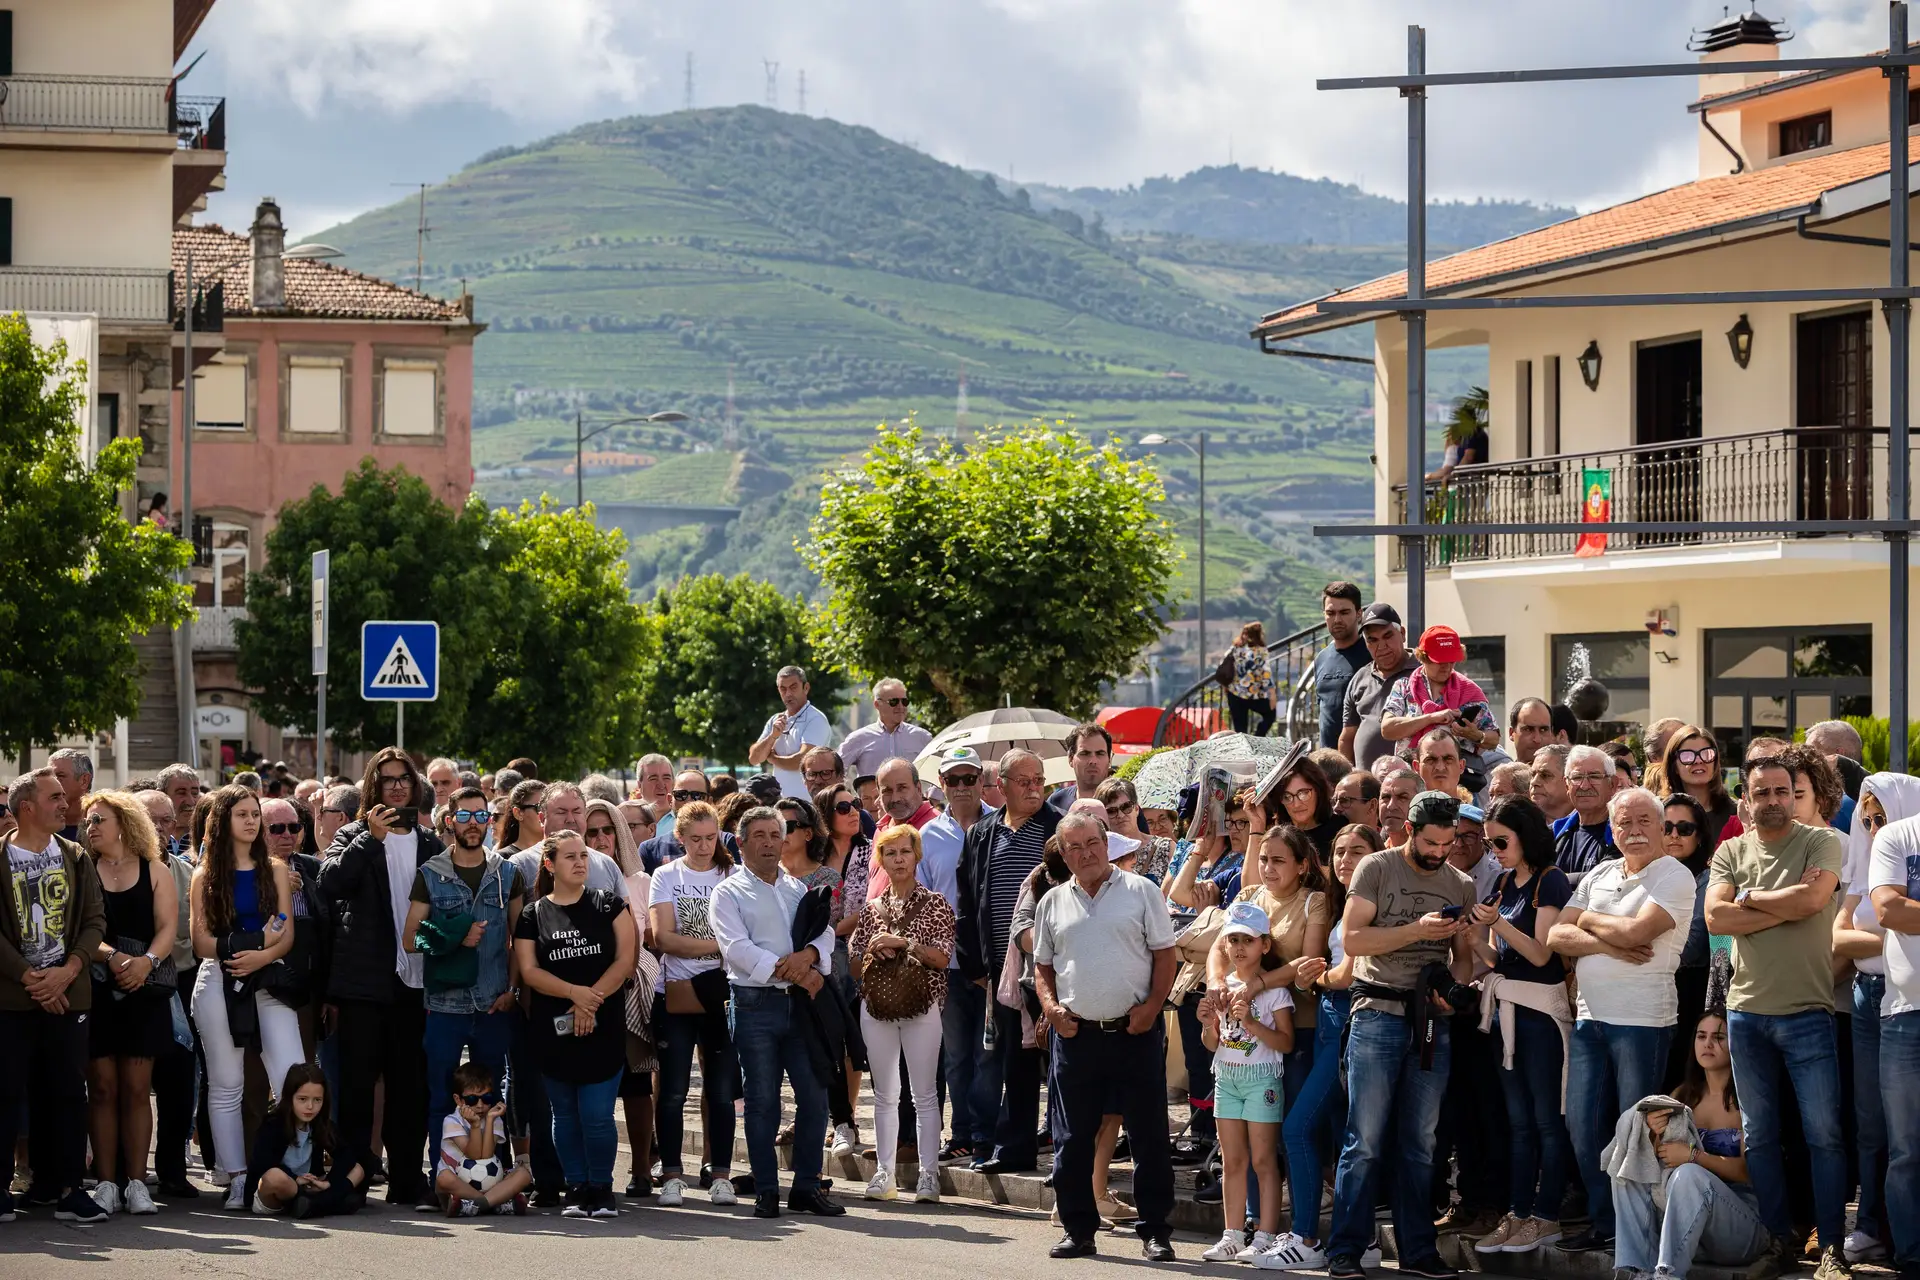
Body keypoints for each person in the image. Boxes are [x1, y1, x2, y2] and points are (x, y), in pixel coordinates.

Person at [1321, 791, 1475, 1280]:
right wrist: (1414, 931)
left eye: (1448, 843)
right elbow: (1353, 940)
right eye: (1431, 842)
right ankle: (1345, 1248)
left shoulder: (1460, 883)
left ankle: (1418, 1250)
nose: (1440, 852)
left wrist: (1457, 989)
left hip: (1430, 1019)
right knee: (1363, 1139)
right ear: (1408, 830)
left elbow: (1463, 956)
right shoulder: (1376, 869)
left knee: (1421, 1143)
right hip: (1377, 1011)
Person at [1707, 757, 1848, 1280]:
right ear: (1746, 796)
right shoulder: (1729, 850)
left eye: (1781, 791)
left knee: (1824, 1135)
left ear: (1795, 794)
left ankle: (1830, 1248)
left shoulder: (1820, 842)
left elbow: (1814, 899)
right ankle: (1777, 1241)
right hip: (1745, 1013)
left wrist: (1750, 900)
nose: (1772, 799)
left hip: (1808, 1011)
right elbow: (1716, 918)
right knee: (1761, 1137)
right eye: (1761, 791)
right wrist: (1782, 905)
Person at [1546, 785, 1697, 1252]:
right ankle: (1606, 1221)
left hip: (1644, 1021)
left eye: (1643, 822)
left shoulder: (1674, 875)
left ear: (1661, 828)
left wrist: (1588, 921)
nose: (1632, 831)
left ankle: (1640, 1231)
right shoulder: (1600, 873)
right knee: (1583, 1126)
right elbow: (1555, 934)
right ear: (1612, 830)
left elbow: (1638, 931)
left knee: (1637, 1130)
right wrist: (1609, 941)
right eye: (1623, 823)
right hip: (1590, 1019)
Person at [1033, 812, 1179, 1262]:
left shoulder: (1142, 890)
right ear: (1063, 853)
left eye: (1092, 843)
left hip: (1134, 1032)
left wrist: (1152, 1008)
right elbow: (1041, 966)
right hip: (1076, 1036)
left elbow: (1165, 955)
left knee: (1148, 1136)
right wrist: (1051, 1009)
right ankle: (1078, 1229)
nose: (1086, 853)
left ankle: (1155, 1231)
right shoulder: (1052, 902)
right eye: (1073, 847)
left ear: (1106, 843)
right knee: (1073, 1138)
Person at [318, 748, 444, 1209]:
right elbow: (329, 884)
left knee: (410, 1087)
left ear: (414, 786)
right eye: (386, 779)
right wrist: (369, 838)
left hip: (416, 984)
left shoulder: (430, 842)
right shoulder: (351, 835)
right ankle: (352, 1178)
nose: (395, 786)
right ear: (373, 787)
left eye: (403, 779)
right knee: (355, 1087)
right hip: (363, 983)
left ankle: (408, 1178)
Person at [710, 806, 842, 1219]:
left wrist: (809, 956)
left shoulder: (797, 889)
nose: (769, 843)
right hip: (754, 1005)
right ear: (742, 842)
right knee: (762, 1100)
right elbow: (735, 948)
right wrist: (789, 971)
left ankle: (806, 1186)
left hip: (800, 1007)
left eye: (775, 835)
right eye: (760, 835)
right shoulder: (727, 892)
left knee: (815, 1097)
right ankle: (767, 1189)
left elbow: (823, 930)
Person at [1259, 823, 1377, 1270]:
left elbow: (1344, 974)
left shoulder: (1373, 897)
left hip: (1353, 1017)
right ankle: (1359, 1240)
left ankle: (1307, 1238)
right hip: (1328, 1019)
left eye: (1358, 851)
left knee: (1298, 1128)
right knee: (1339, 1133)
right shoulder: (1336, 899)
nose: (1347, 860)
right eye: (1341, 851)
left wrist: (1317, 977)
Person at [0, 767, 109, 1225]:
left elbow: (95, 921)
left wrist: (67, 971)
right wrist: (30, 977)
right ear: (27, 806)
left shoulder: (76, 855)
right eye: (55, 797)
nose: (66, 804)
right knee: (6, 1092)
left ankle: (64, 1188)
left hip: (70, 995)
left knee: (66, 1092)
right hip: (12, 997)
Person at [191, 784, 304, 1212]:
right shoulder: (204, 876)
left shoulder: (274, 868)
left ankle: (292, 1171)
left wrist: (259, 957)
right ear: (222, 821)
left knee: (294, 1076)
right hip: (218, 982)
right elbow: (201, 942)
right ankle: (236, 1178)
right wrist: (253, 944)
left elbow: (286, 934)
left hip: (268, 979)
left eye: (255, 813)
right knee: (226, 1084)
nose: (252, 820)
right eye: (242, 813)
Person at [514, 831, 637, 1219]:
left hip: (604, 1027)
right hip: (554, 1032)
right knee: (563, 1115)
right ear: (549, 865)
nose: (580, 862)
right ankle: (577, 1186)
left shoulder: (608, 905)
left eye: (583, 855)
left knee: (598, 1114)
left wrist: (590, 1000)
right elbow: (529, 971)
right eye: (570, 857)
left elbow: (625, 961)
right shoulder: (533, 914)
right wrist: (574, 994)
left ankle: (601, 1188)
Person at [1469, 796, 1572, 1255]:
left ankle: (1546, 1216)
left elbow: (1541, 953)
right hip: (1505, 1011)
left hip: (1540, 1016)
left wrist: (1498, 926)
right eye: (1490, 843)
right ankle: (1518, 1212)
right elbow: (1497, 959)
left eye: (1500, 841)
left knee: (1548, 1121)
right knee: (1520, 1124)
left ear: (1525, 834)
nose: (1494, 850)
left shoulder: (1549, 882)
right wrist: (1472, 935)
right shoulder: (1504, 884)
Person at [957, 748, 1061, 1174]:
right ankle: (1013, 1149)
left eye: (1039, 779)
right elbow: (967, 900)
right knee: (1013, 1063)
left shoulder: (1057, 827)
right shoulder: (982, 832)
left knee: (1059, 1063)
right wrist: (976, 968)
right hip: (1004, 973)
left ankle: (1067, 1156)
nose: (1034, 787)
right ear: (1000, 785)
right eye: (1024, 780)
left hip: (1054, 970)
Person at [401, 786, 522, 1145]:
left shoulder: (507, 873)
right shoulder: (431, 873)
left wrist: (512, 991)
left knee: (492, 1100)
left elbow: (520, 940)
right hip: (444, 1005)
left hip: (492, 1004)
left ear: (490, 821)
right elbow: (410, 939)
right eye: (466, 816)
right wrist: (456, 936)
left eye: (481, 816)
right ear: (450, 820)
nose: (474, 823)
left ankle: (494, 1178)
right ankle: (443, 1179)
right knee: (441, 1097)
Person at [1609, 1011, 1769, 1280]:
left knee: (1689, 1174)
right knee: (1627, 1165)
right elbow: (1660, 1163)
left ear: (1736, 1043)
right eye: (1701, 1036)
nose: (1708, 1044)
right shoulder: (1681, 1096)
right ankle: (1638, 1270)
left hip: (1740, 1227)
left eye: (1719, 1037)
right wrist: (1652, 1135)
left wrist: (1693, 1156)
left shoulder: (1748, 1098)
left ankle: (1668, 1275)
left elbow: (1748, 1173)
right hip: (1685, 1225)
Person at [80, 790, 178, 1216]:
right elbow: (80, 929)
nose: (91, 827)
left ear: (124, 822)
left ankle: (137, 1183)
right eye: (88, 822)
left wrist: (146, 962)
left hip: (144, 988)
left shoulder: (156, 869)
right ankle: (105, 1184)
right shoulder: (83, 870)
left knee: (139, 1090)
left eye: (99, 819)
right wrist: (113, 956)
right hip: (97, 988)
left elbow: (168, 930)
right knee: (102, 1090)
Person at [1836, 774, 1920, 1265]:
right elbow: (1869, 920)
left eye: (1878, 814)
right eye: (1864, 817)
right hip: (1883, 1003)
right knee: (1884, 1133)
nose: (1869, 824)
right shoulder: (1881, 850)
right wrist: (1892, 937)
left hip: (1890, 991)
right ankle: (1894, 1244)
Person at [850, 823, 956, 1202]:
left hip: (922, 1005)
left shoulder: (936, 903)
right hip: (877, 1006)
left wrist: (904, 943)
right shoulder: (871, 909)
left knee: (925, 1094)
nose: (898, 859)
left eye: (905, 852)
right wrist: (873, 955)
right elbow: (853, 959)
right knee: (885, 1094)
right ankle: (884, 1172)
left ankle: (929, 1176)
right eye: (891, 853)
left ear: (917, 856)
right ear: (881, 859)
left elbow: (942, 957)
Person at [648, 800, 740, 1207]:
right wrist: (721, 946)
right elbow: (662, 937)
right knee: (672, 1090)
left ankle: (721, 1173)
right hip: (679, 994)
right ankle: (671, 1173)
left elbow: (746, 938)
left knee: (722, 1090)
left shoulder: (733, 875)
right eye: (695, 839)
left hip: (723, 995)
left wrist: (718, 949)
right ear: (680, 838)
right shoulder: (667, 875)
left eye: (711, 838)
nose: (704, 847)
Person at [1197, 900, 1295, 1266]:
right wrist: (1208, 1023)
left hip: (1263, 1080)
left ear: (1265, 945)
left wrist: (1252, 1023)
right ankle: (1232, 1236)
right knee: (1232, 1160)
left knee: (1264, 1161)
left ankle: (1266, 1236)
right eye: (1232, 939)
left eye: (1248, 940)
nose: (1239, 948)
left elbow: (1286, 1042)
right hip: (1227, 1078)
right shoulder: (1221, 987)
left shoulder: (1274, 990)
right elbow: (1214, 1044)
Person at [582, 795, 657, 1198]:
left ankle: (642, 1169)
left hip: (629, 994)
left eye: (607, 829)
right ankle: (593, 1175)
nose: (600, 838)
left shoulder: (641, 882)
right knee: (591, 1089)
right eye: (591, 831)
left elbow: (650, 940)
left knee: (636, 1085)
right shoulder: (572, 878)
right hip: (583, 992)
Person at [922, 747, 991, 1162]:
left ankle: (984, 1133)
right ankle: (961, 1132)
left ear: (982, 781)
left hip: (990, 962)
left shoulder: (1000, 826)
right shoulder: (929, 836)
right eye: (954, 780)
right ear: (942, 784)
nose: (962, 787)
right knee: (956, 1055)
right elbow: (927, 902)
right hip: (945, 963)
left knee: (988, 1055)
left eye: (970, 778)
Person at [245, 1064, 367, 1219]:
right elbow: (263, 1162)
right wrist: (296, 1179)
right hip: (278, 1191)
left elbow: (346, 1155)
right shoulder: (273, 1124)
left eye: (317, 1100)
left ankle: (315, 1204)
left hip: (308, 1187)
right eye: (302, 1099)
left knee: (357, 1169)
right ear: (290, 1097)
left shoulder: (321, 1124)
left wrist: (328, 1183)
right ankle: (329, 1203)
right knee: (275, 1176)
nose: (310, 1106)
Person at [1380, 625, 1497, 761]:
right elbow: (1387, 729)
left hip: (1456, 777)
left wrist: (1476, 735)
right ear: (1422, 657)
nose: (1446, 667)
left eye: (1451, 660)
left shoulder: (1469, 691)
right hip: (1411, 775)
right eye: (1440, 661)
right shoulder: (1404, 687)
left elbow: (1494, 738)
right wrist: (1431, 718)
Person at [434, 1060, 531, 1217]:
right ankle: (496, 1202)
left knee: (524, 1174)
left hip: (490, 1181)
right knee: (443, 1178)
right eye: (472, 1100)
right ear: (458, 1100)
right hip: (459, 1182)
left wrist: (491, 1119)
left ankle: (474, 1206)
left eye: (486, 1098)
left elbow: (485, 1156)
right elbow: (473, 1155)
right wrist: (474, 1126)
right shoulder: (451, 1121)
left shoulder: (495, 1119)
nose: (480, 1105)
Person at [1339, 603, 1418, 770]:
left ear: (1402, 634)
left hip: (1412, 786)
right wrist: (1347, 777)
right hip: (1366, 788)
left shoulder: (1424, 672)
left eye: (1388, 636)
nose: (1381, 646)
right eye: (1372, 640)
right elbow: (1347, 737)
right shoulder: (1359, 678)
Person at [747, 666, 834, 800]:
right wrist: (772, 737)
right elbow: (754, 758)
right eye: (783, 688)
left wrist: (773, 758)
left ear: (806, 688)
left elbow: (802, 761)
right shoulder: (775, 719)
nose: (788, 694)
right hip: (780, 804)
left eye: (793, 687)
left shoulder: (816, 719)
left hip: (808, 806)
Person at [1311, 582, 1369, 749]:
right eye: (1330, 613)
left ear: (1359, 614)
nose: (1337, 619)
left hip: (1361, 763)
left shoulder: (1372, 655)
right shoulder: (1321, 659)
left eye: (1344, 612)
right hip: (1327, 763)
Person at [840, 678, 934, 781]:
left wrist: (932, 796)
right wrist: (843, 794)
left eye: (904, 701)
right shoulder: (859, 738)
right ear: (877, 704)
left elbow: (937, 769)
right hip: (874, 797)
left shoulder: (922, 737)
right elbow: (836, 770)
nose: (901, 706)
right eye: (894, 701)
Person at [1657, 726, 1739, 843]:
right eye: (1687, 755)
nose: (1698, 760)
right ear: (1674, 765)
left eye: (1706, 754)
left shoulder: (1735, 813)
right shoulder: (1657, 812)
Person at [1555, 745, 1620, 878]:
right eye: (1577, 777)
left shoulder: (1622, 831)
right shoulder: (1555, 832)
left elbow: (1606, 880)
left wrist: (1555, 881)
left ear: (1612, 784)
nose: (1584, 786)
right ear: (1566, 785)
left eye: (1594, 776)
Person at [1267, 753, 1344, 859]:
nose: (1296, 804)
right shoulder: (1276, 835)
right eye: (1287, 796)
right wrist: (1255, 825)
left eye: (1303, 793)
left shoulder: (1340, 830)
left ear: (1318, 791)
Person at [1224, 621, 1279, 737]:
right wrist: (1272, 695)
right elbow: (1266, 674)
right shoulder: (1260, 651)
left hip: (1234, 693)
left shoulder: (1235, 648)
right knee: (1270, 715)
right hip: (1254, 694)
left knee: (1240, 731)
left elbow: (1223, 666)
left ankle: (1244, 753)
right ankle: (1258, 737)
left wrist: (1226, 686)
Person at [1048, 722, 1116, 814]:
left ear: (1110, 759)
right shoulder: (1056, 803)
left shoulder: (1125, 805)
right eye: (1085, 753)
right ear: (1070, 758)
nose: (1093, 761)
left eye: (1100, 753)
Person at [48, 749, 93, 843]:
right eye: (50, 777)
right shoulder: (39, 829)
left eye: (60, 776)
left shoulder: (105, 828)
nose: (52, 783)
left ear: (84, 781)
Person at [1529, 744, 1574, 824]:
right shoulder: (1519, 827)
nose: (1534, 782)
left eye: (1545, 775)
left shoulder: (1591, 826)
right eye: (1532, 775)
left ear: (1568, 780)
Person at [1506, 699, 1558, 768]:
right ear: (1512, 733)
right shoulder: (1501, 778)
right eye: (1528, 729)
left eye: (1543, 730)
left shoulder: (1566, 777)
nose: (1537, 739)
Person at [1379, 769, 1421, 846]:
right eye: (1386, 797)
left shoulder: (1439, 854)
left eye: (1402, 798)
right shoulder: (1372, 855)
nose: (1391, 806)